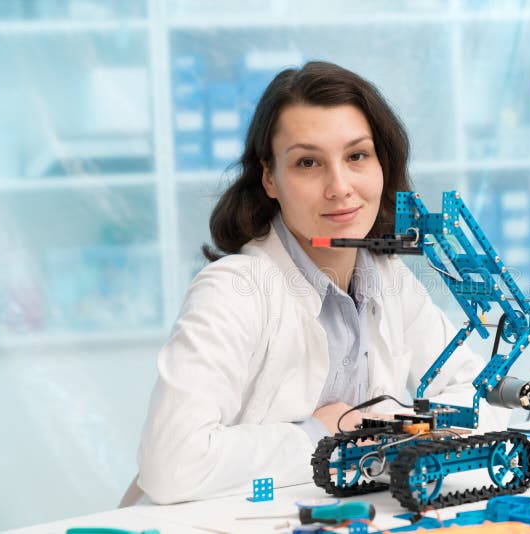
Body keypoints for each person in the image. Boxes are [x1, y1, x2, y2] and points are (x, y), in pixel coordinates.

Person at [127, 61, 510, 506]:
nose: (340, 187)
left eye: (357, 156)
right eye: (308, 162)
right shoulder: (231, 291)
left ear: (382, 164)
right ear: (269, 178)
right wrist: (320, 433)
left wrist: (392, 427)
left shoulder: (389, 278)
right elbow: (171, 464)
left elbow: (480, 397)